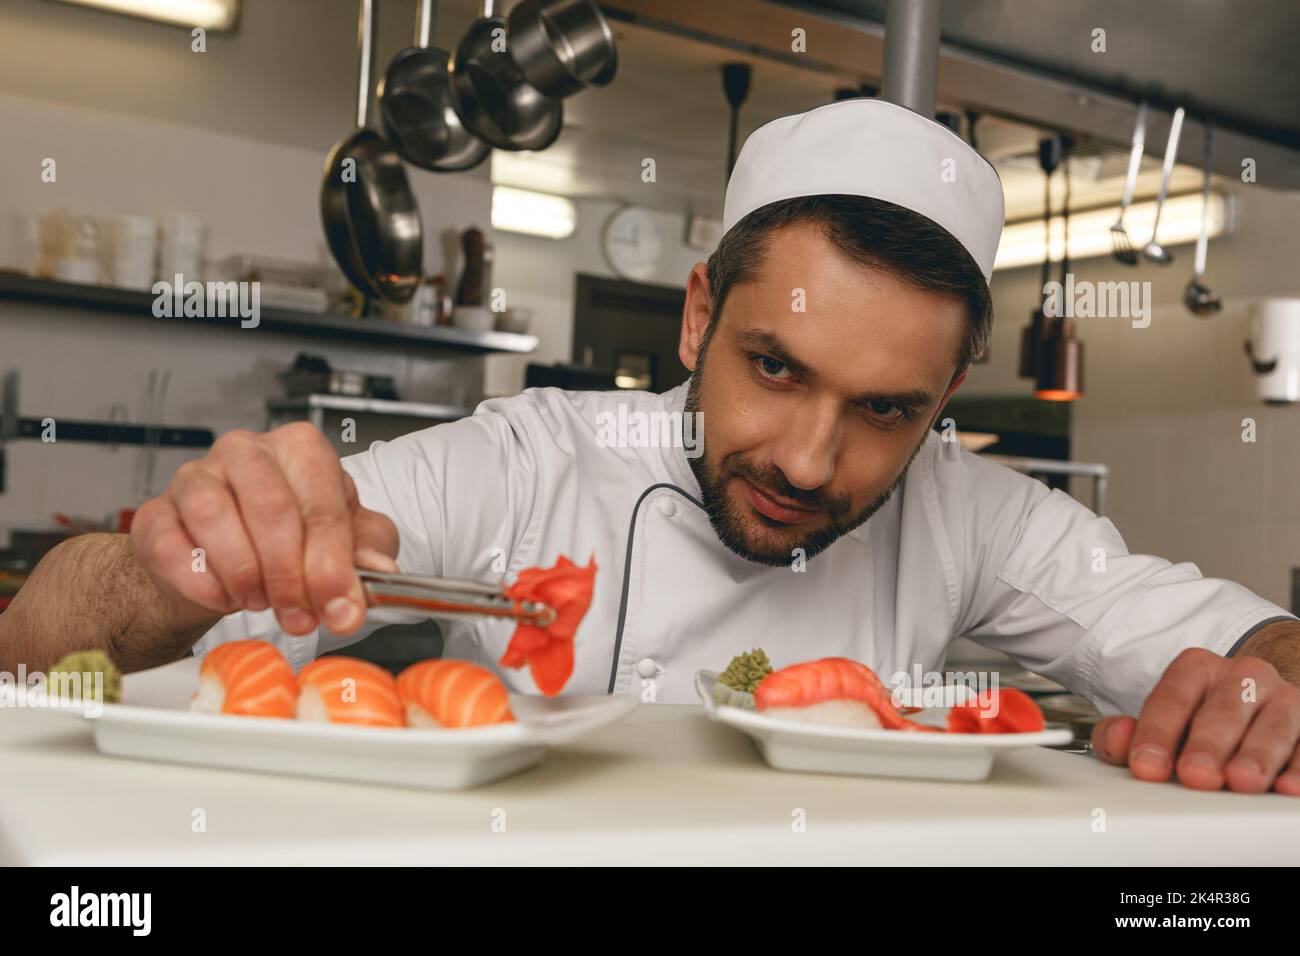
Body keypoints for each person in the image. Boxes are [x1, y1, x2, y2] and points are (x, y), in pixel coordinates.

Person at [4, 99, 1298, 795]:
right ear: (697, 313)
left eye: (886, 409)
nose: (804, 458)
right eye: (774, 368)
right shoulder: (526, 461)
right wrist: (166, 572)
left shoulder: (977, 515)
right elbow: (32, 654)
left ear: (951, 392)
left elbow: (1259, 648)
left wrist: (1266, 697)